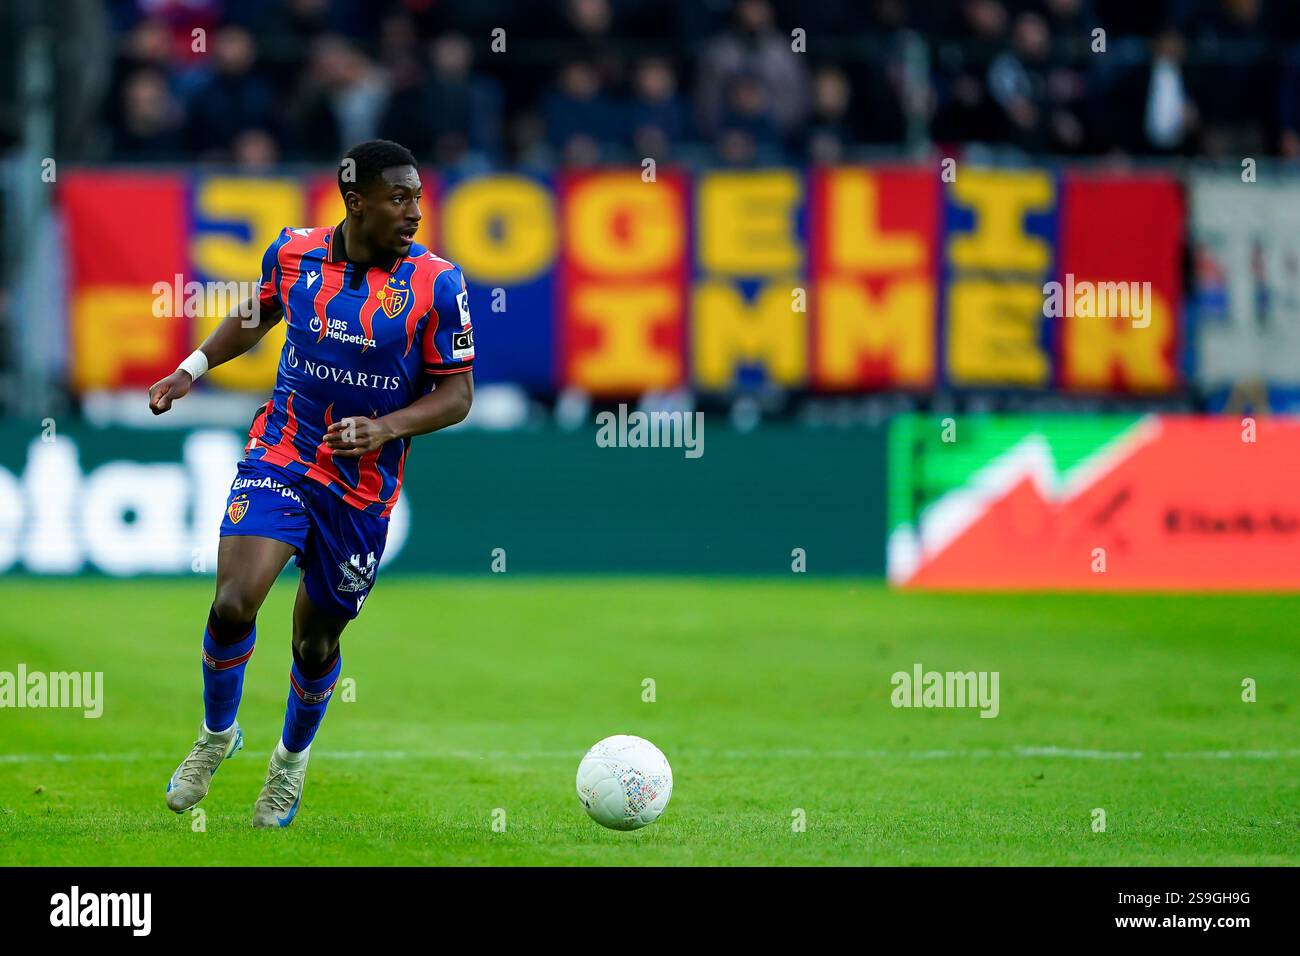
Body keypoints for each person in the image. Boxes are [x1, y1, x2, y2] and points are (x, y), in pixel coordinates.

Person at [147, 139, 474, 828]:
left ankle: (288, 764)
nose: (415, 212)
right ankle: (216, 737)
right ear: (356, 202)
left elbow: (457, 394)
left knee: (315, 644)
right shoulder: (293, 253)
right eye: (399, 199)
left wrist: (385, 429)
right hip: (284, 451)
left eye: (418, 197)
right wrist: (192, 368)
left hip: (361, 490)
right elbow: (258, 312)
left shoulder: (439, 284)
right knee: (236, 601)